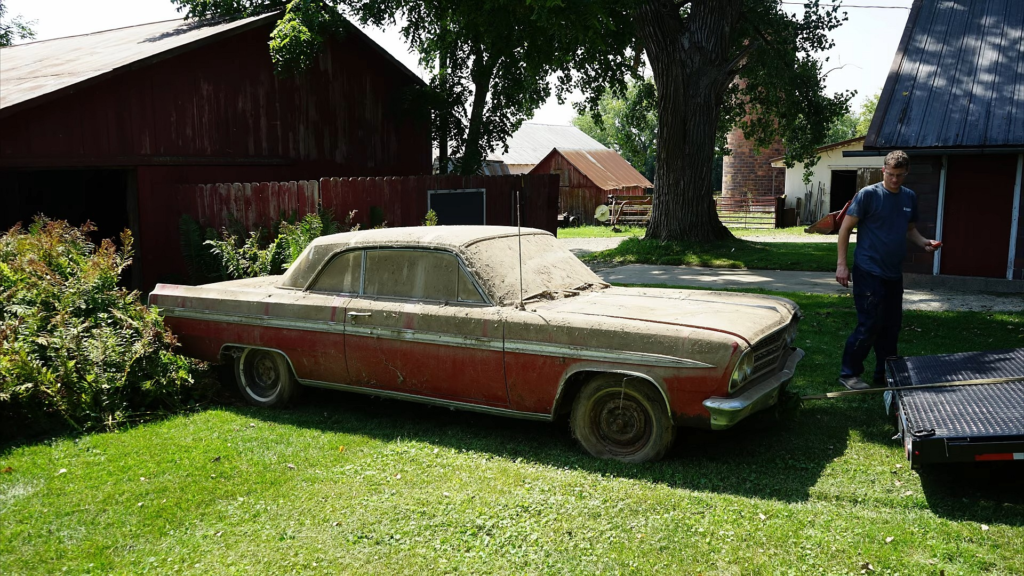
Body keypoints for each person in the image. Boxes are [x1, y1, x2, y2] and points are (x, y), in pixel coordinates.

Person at [835, 150, 941, 390]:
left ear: (907, 173)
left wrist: (924, 242)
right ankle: (849, 373)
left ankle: (885, 375)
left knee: (891, 327)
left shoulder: (909, 197)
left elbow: (909, 230)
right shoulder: (868, 195)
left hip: (893, 273)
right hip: (868, 271)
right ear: (883, 170)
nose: (895, 180)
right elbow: (845, 229)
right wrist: (842, 265)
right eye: (891, 174)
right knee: (870, 323)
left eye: (900, 175)